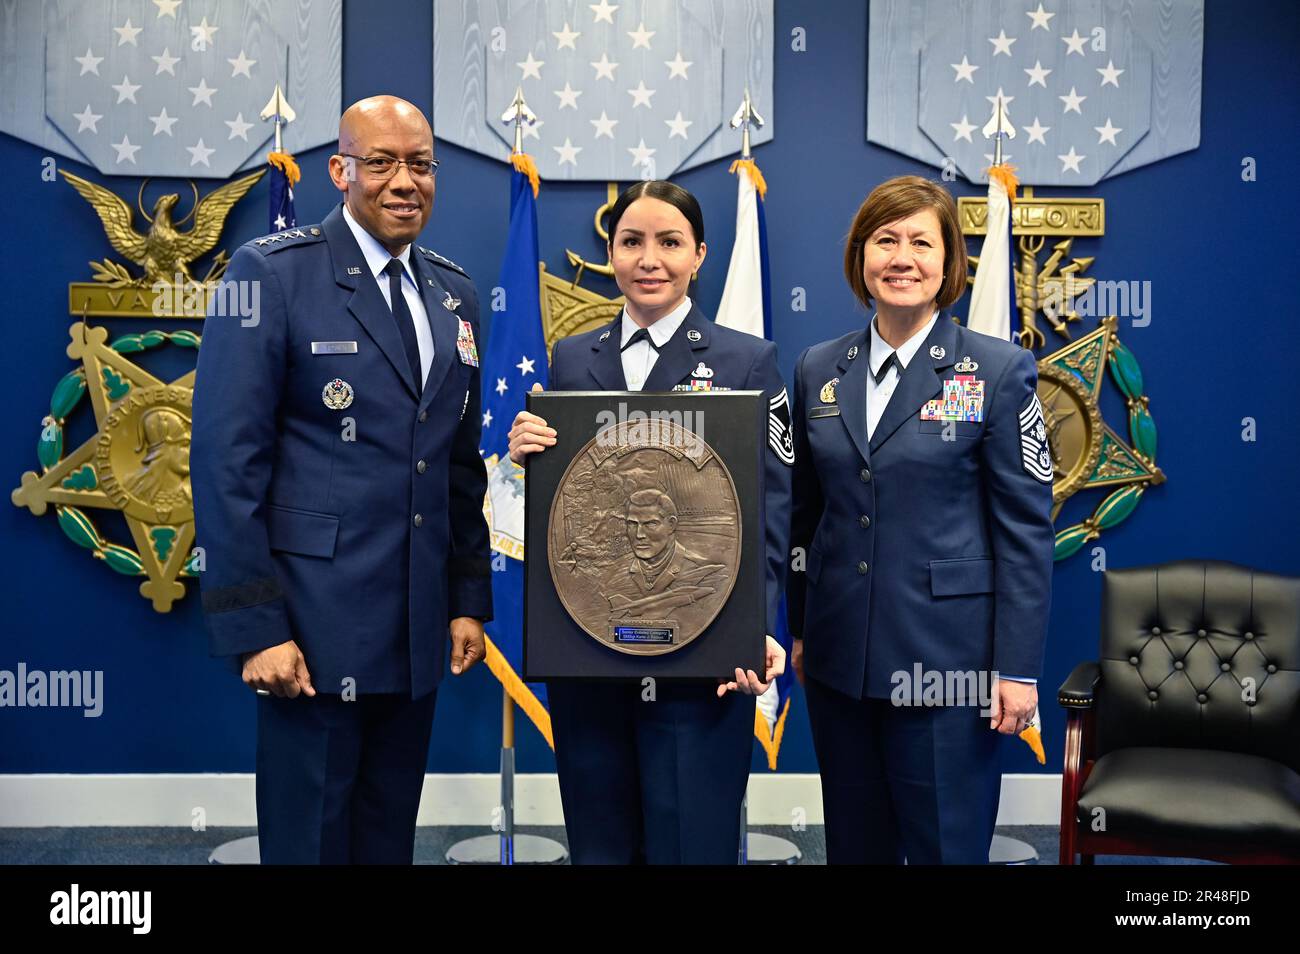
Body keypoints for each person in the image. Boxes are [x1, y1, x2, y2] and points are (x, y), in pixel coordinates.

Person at [191, 95, 492, 864]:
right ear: (340, 171)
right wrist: (256, 629)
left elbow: (458, 464)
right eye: (382, 162)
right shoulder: (272, 273)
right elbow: (227, 465)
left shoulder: (453, 294)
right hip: (311, 630)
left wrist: (466, 600)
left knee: (386, 840)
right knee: (311, 845)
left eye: (420, 164)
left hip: (417, 625)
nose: (404, 181)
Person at [508, 180, 790, 864]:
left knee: (692, 845)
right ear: (611, 253)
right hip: (590, 656)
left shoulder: (746, 359)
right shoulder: (572, 358)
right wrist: (525, 456)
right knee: (600, 845)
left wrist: (756, 626)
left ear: (699, 254)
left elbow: (774, 508)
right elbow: (570, 502)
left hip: (703, 656)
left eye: (669, 242)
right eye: (632, 242)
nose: (649, 258)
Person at [785, 175, 1054, 864]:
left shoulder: (997, 371)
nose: (902, 258)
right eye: (885, 240)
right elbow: (801, 517)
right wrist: (794, 629)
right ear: (861, 256)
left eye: (920, 242)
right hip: (841, 661)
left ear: (949, 261)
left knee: (944, 848)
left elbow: (1024, 530)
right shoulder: (819, 368)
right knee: (854, 847)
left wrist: (1017, 669)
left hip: (950, 670)